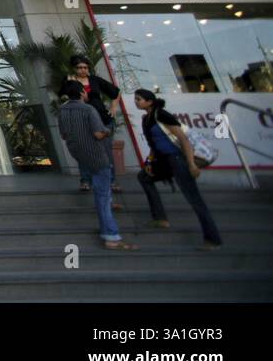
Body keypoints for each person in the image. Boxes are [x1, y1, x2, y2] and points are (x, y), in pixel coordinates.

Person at [134, 89, 222, 250]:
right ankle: (160, 217)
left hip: (177, 158)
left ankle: (212, 238)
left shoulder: (162, 115)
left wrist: (191, 164)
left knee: (194, 197)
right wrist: (149, 162)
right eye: (135, 99)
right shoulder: (147, 119)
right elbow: (153, 144)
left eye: (139, 99)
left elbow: (183, 139)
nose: (136, 101)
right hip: (164, 160)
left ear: (150, 101)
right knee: (144, 177)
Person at [58, 82, 135, 250]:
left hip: (79, 155)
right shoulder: (88, 110)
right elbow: (98, 133)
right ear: (82, 93)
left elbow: (63, 135)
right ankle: (111, 236)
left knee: (101, 193)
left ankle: (109, 231)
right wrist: (108, 131)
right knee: (103, 196)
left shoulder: (62, 111)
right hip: (96, 156)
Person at [67, 54, 122, 193]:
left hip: (102, 119)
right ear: (74, 69)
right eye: (79, 68)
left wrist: (113, 108)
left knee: (106, 152)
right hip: (83, 121)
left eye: (85, 67)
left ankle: (112, 181)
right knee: (84, 151)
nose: (83, 70)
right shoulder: (70, 83)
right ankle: (85, 180)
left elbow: (115, 92)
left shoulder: (95, 80)